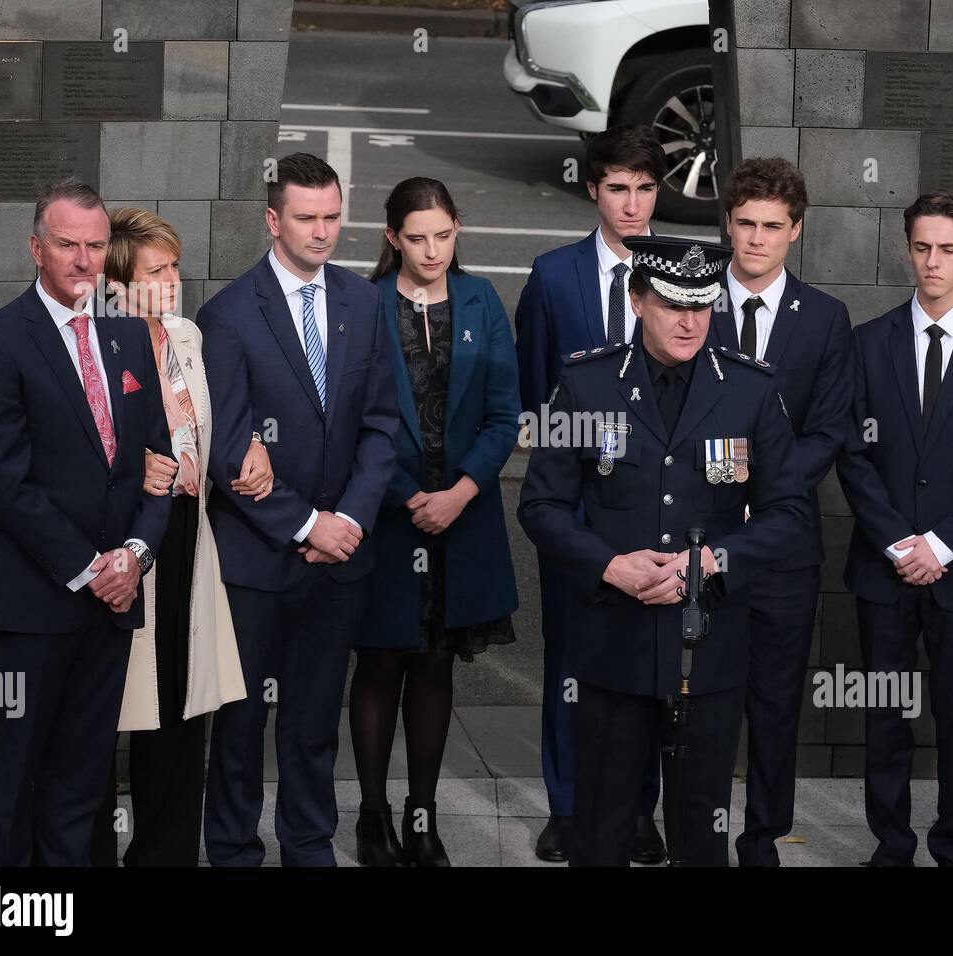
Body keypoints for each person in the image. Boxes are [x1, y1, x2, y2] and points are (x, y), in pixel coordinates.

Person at [518, 235, 813, 866]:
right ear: (636, 300)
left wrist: (711, 564)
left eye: (703, 306)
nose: (690, 322)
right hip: (612, 649)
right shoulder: (586, 383)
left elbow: (789, 511)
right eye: (674, 305)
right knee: (598, 835)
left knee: (700, 838)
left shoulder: (749, 390)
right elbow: (539, 505)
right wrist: (608, 564)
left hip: (707, 650)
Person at [0, 180, 172, 866]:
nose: (83, 259)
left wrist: (135, 554)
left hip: (113, 605)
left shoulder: (129, 337)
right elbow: (7, 484)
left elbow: (158, 464)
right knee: (18, 779)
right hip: (33, 605)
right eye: (66, 244)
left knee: (84, 783)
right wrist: (93, 570)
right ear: (36, 249)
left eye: (95, 244)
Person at [197, 153, 399, 867]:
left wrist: (349, 520)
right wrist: (309, 524)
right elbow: (227, 450)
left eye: (333, 217)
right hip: (256, 563)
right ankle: (231, 849)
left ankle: (308, 846)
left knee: (314, 721)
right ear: (272, 220)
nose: (323, 232)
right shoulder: (225, 316)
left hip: (340, 559)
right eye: (307, 218)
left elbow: (382, 426)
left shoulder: (363, 302)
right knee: (241, 721)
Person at [836, 191, 953, 867]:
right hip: (883, 569)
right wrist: (898, 543)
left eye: (948, 249)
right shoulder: (866, 342)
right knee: (886, 717)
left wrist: (942, 546)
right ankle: (891, 846)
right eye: (922, 247)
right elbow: (852, 456)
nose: (933, 262)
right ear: (907, 249)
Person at [89, 207, 269, 866]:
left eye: (175, 266)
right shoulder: (94, 343)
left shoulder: (189, 335)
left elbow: (222, 417)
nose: (173, 280)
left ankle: (165, 856)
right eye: (157, 271)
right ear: (117, 282)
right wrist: (130, 465)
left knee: (181, 707)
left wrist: (251, 443)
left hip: (189, 538)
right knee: (112, 709)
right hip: (124, 537)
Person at [352, 178, 520, 866]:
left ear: (458, 229)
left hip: (463, 518)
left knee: (434, 665)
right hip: (386, 518)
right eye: (416, 238)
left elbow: (504, 413)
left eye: (443, 236)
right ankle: (372, 815)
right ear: (392, 238)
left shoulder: (483, 300)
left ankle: (423, 816)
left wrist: (460, 491)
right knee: (380, 662)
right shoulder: (363, 305)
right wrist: (403, 495)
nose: (432, 250)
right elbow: (352, 418)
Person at [514, 124, 668, 863]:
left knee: (651, 665)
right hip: (576, 511)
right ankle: (569, 807)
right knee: (570, 661)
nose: (632, 203)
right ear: (592, 188)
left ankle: (640, 812)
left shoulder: (685, 270)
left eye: (644, 188)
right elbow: (538, 392)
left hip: (655, 507)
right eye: (618, 187)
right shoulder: (553, 275)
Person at [707, 157, 855, 866]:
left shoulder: (825, 319)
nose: (756, 239)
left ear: (795, 230)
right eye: (745, 224)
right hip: (698, 538)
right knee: (699, 706)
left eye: (771, 226)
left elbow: (829, 430)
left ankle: (761, 839)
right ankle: (693, 834)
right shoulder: (690, 299)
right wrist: (727, 484)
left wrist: (758, 495)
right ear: (727, 223)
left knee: (773, 708)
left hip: (784, 551)